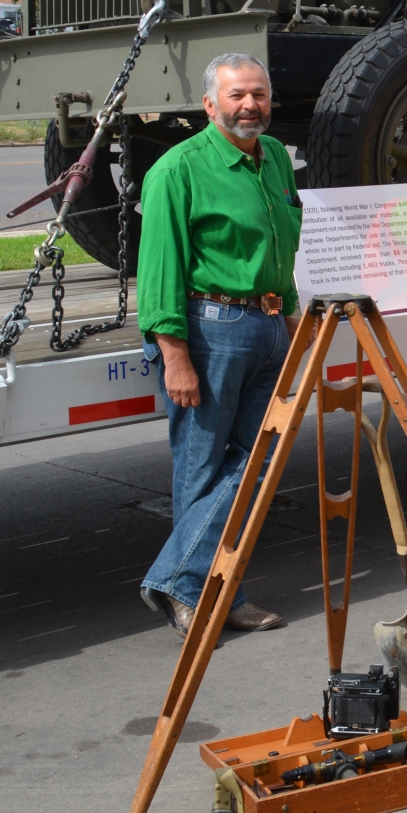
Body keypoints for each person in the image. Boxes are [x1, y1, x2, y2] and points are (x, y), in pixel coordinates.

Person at [134, 52, 303, 636]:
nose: (250, 105)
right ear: (210, 105)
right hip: (210, 331)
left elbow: (284, 243)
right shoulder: (177, 171)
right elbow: (158, 270)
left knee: (261, 462)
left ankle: (200, 586)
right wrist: (174, 355)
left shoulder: (276, 157)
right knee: (202, 470)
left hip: (268, 324)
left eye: (258, 94)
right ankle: (200, 595)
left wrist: (293, 319)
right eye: (236, 96)